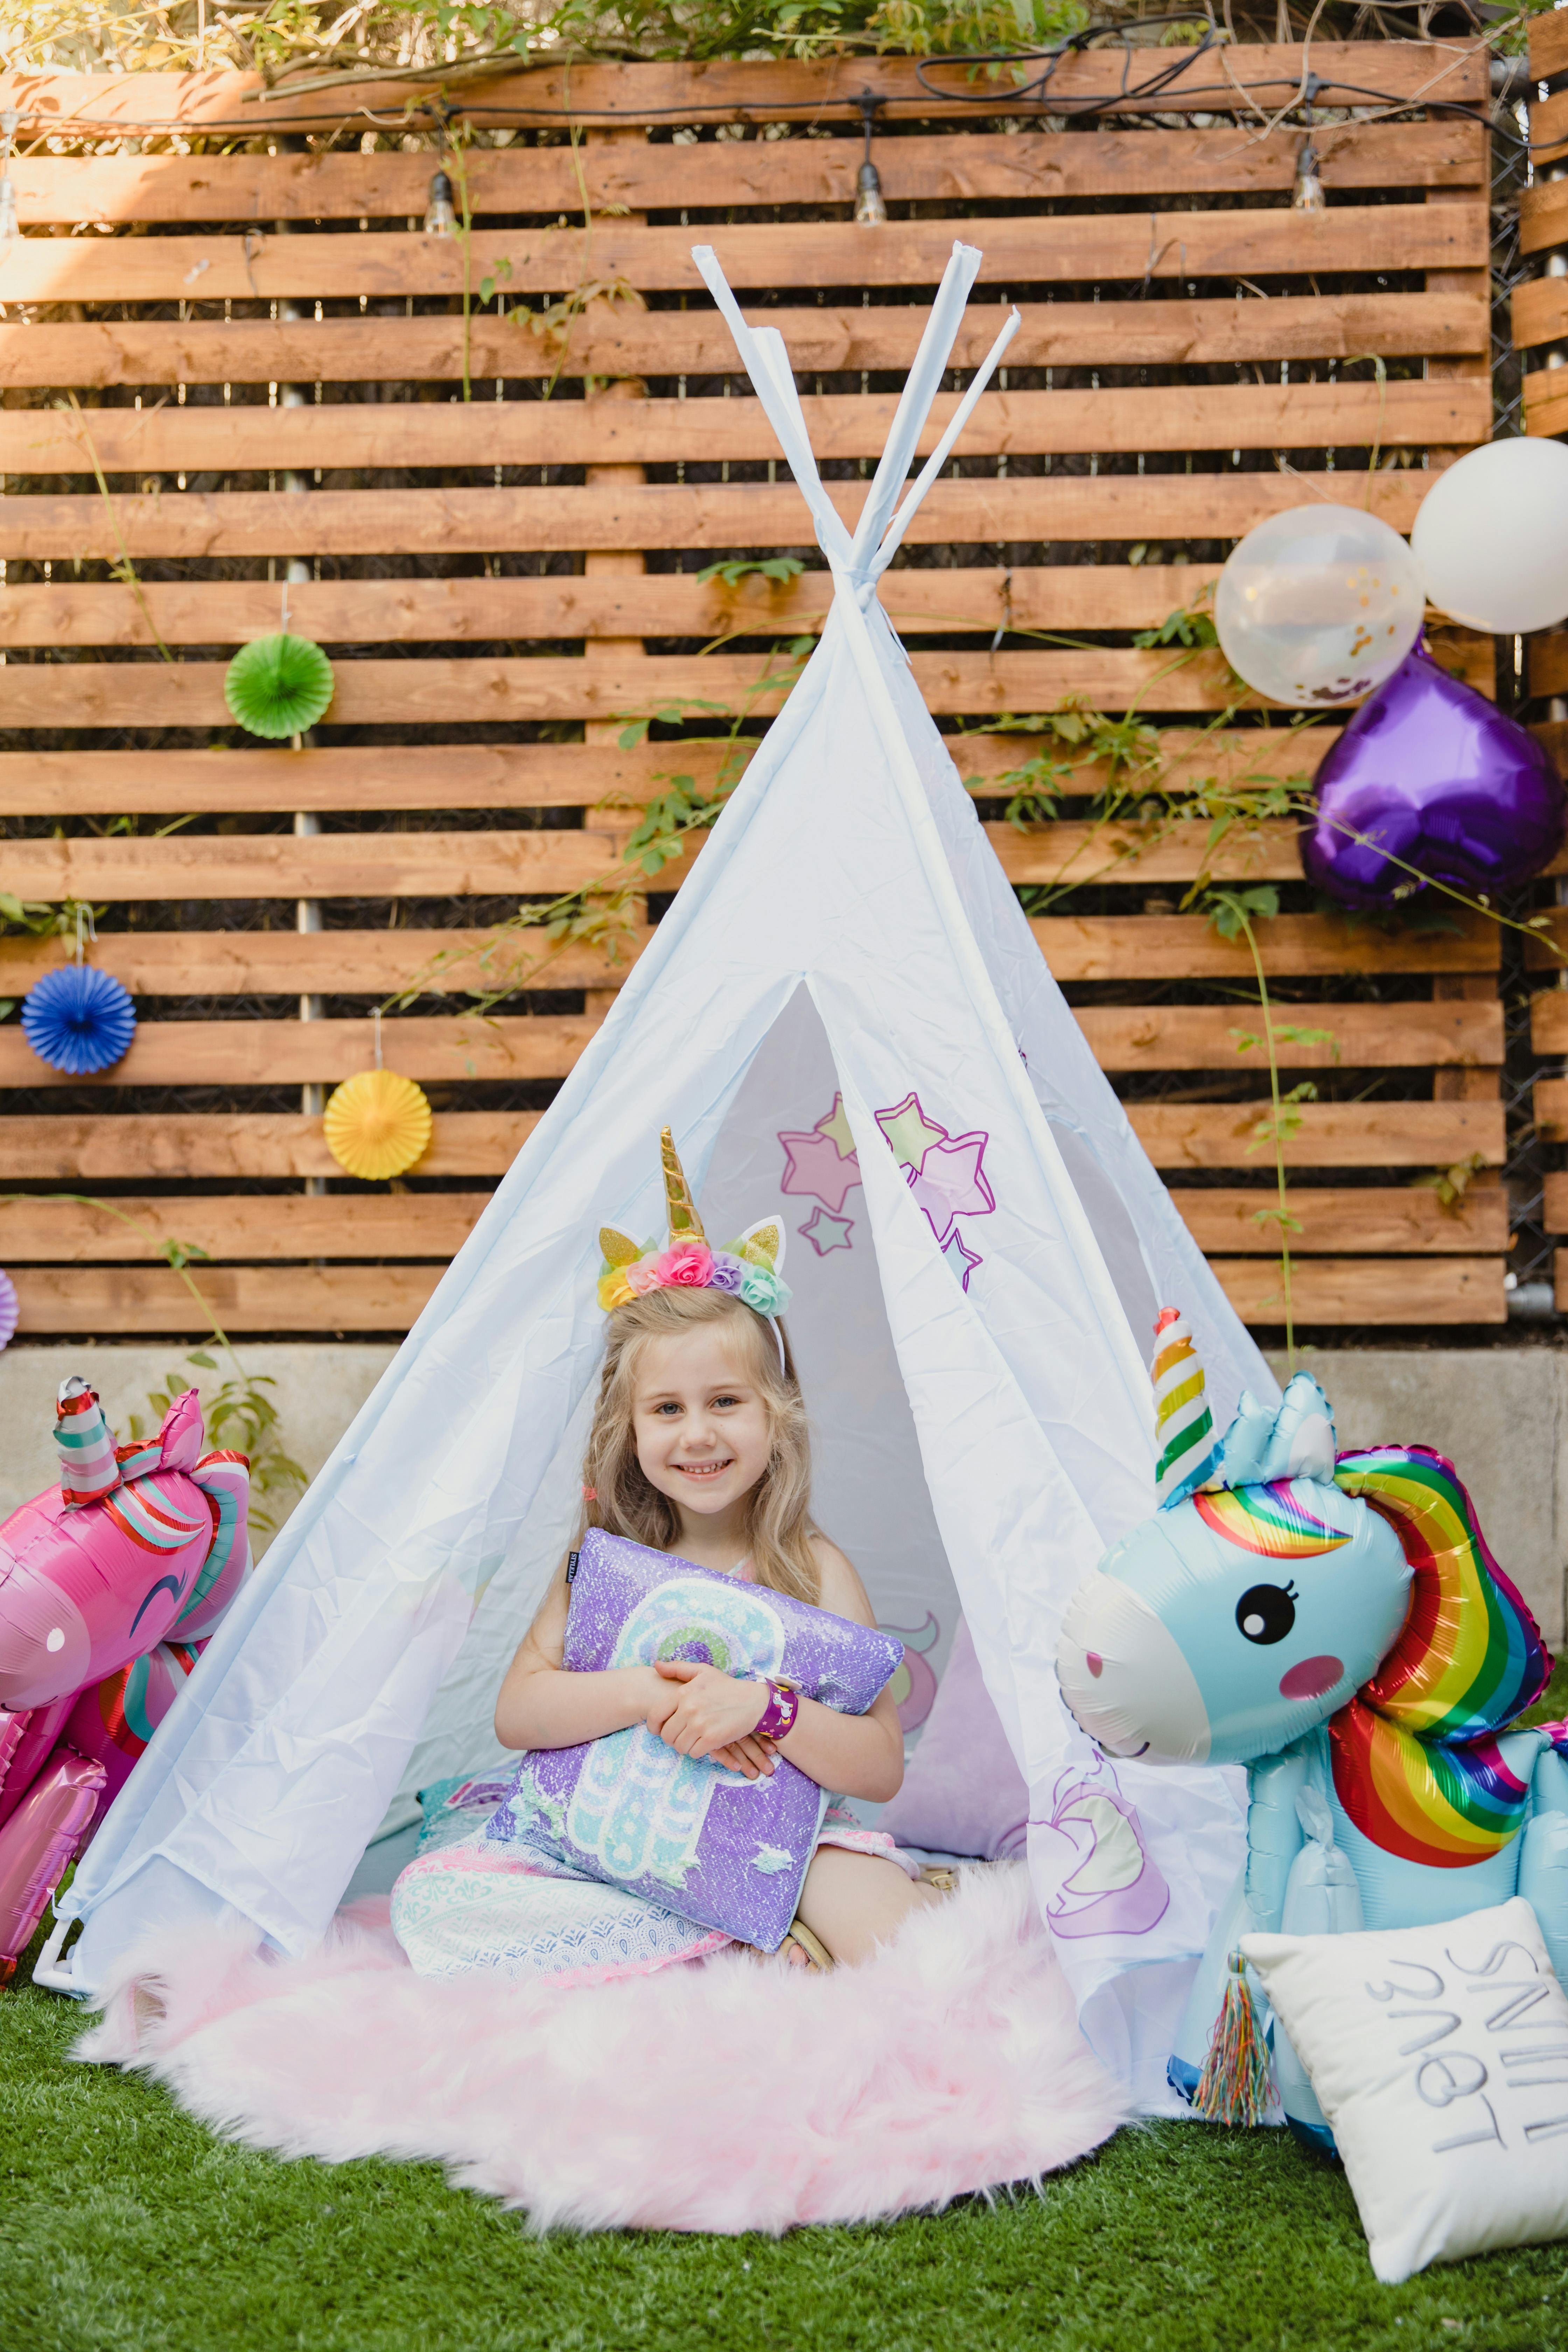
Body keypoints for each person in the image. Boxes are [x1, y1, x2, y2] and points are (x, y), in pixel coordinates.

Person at [389, 1130, 946, 1982]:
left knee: (905, 1940)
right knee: (430, 1904)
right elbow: (519, 1714)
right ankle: (728, 1947)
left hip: (770, 1837)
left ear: (777, 1414)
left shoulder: (810, 1567)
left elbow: (878, 1769)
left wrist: (766, 1708)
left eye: (726, 1401)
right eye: (666, 1409)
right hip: (614, 1837)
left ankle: (737, 1934)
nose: (697, 1435)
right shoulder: (605, 1563)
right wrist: (649, 1694)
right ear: (630, 1428)